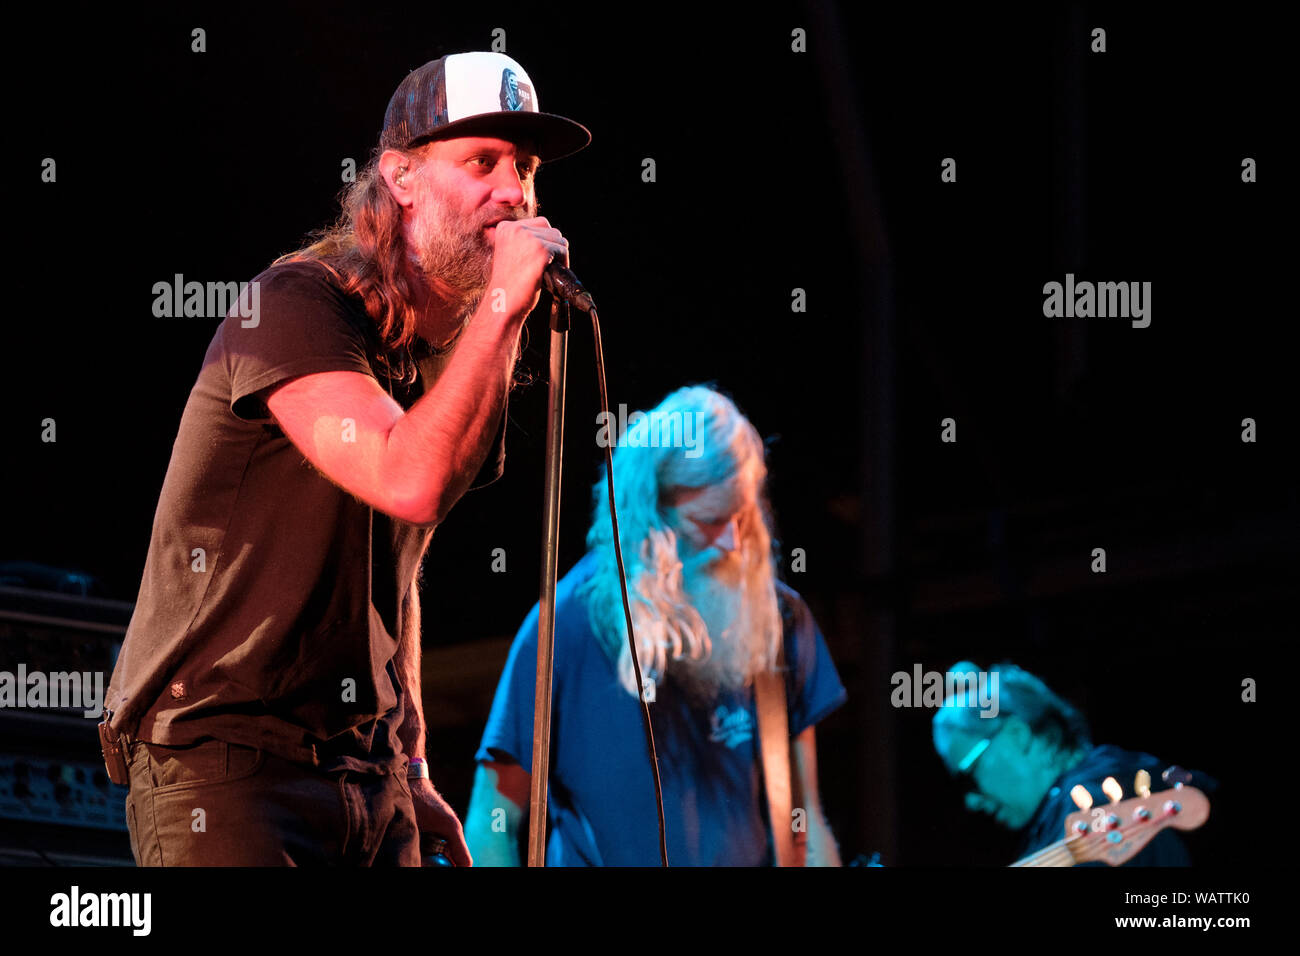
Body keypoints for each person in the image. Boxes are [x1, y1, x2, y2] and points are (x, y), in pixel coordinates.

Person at [101, 51, 590, 866]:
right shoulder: (294, 305)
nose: (514, 192)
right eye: (482, 162)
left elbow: (397, 568)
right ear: (400, 178)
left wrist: (415, 761)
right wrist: (504, 306)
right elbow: (411, 477)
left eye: (526, 169)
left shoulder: (446, 351)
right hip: (226, 762)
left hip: (364, 773)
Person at [466, 386, 847, 866]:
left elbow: (805, 820)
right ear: (650, 515)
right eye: (709, 521)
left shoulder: (779, 620)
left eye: (742, 517)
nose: (732, 541)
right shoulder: (565, 627)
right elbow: (493, 817)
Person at [932, 660, 1206, 865]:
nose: (970, 801)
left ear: (1017, 735)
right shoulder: (1105, 781)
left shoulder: (1089, 805)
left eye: (968, 774)